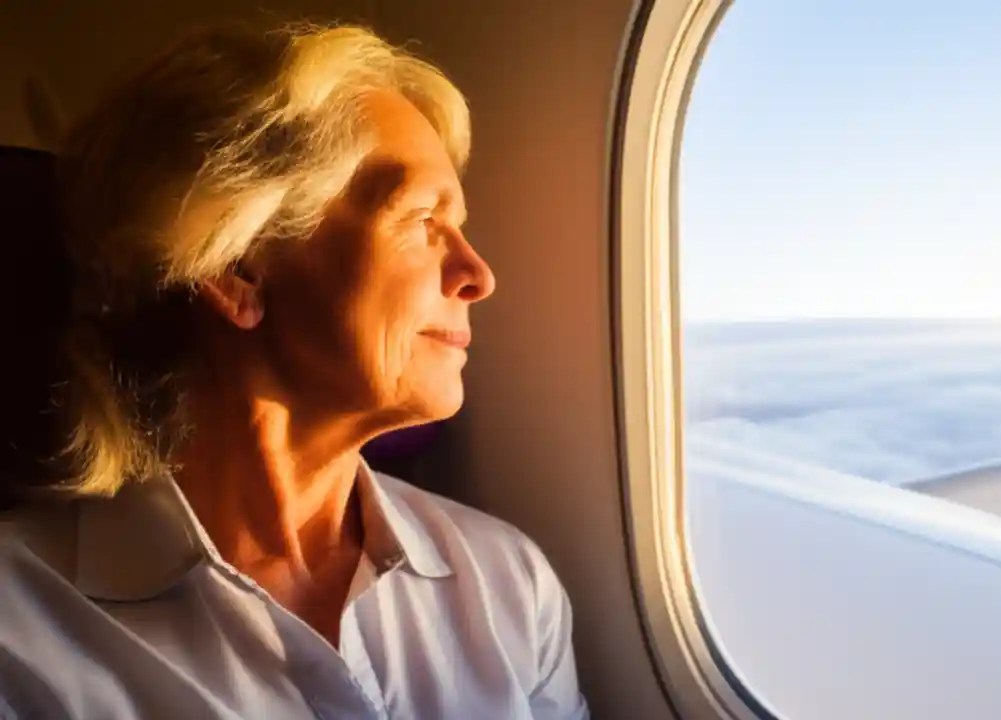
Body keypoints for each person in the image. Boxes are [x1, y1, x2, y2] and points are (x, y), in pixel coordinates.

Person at [0, 22, 588, 719]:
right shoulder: (20, 639)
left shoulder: (508, 585)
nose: (478, 275)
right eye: (422, 219)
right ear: (238, 266)